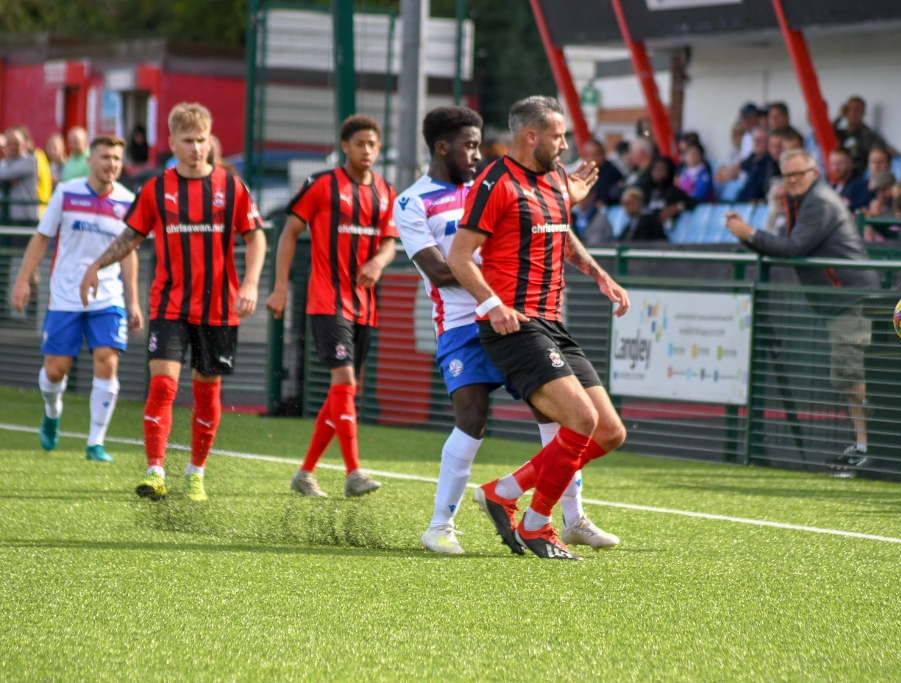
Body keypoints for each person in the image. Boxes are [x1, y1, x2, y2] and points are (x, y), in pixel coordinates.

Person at [392, 106, 613, 554]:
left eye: (479, 145)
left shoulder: (495, 182)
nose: (476, 154)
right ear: (442, 147)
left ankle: (572, 516)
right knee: (472, 419)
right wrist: (497, 273)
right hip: (462, 323)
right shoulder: (412, 201)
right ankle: (440, 525)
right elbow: (439, 269)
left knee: (560, 417)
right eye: (468, 145)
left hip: (517, 315)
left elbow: (543, 227)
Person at [448, 95, 630, 560]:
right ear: (532, 136)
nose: (566, 145)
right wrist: (491, 305)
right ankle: (537, 523)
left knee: (609, 432)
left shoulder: (554, 181)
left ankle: (504, 491)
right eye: (558, 136)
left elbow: (561, 233)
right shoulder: (494, 183)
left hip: (551, 322)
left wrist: (600, 274)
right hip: (514, 326)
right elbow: (458, 256)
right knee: (581, 421)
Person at [79, 102, 266, 502]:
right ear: (172, 142)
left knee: (206, 392)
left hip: (219, 308)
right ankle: (155, 471)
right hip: (169, 306)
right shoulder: (157, 189)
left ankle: (196, 471)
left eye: (202, 140)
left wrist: (250, 283)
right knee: (163, 386)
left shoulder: (231, 187)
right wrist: (97, 264)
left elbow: (255, 236)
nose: (197, 148)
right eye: (188, 141)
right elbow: (131, 236)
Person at [265, 114, 396, 499]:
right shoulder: (322, 185)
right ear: (345, 147)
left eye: (373, 144)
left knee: (345, 391)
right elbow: (289, 232)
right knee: (344, 383)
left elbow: (389, 242)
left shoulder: (386, 192)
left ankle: (305, 473)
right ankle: (353, 472)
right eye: (360, 144)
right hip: (326, 300)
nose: (367, 151)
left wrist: (378, 262)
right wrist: (279, 287)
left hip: (364, 307)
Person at [725, 148, 880, 466]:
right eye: (788, 176)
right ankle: (865, 445)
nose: (794, 181)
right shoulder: (800, 200)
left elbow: (792, 247)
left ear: (814, 173)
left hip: (850, 299)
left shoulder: (819, 201)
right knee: (848, 377)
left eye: (799, 175)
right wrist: (749, 234)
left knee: (853, 377)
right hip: (840, 302)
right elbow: (780, 242)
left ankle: (870, 446)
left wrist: (750, 233)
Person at [10, 136, 140, 462]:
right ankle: (53, 413)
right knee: (55, 370)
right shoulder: (66, 192)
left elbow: (128, 254)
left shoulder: (127, 200)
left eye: (116, 158)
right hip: (65, 296)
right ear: (90, 161)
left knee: (107, 362)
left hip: (108, 296)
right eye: (105, 157)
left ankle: (96, 442)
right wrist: (23, 280)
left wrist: (134, 301)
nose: (112, 164)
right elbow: (41, 239)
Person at [834, 96, 893, 179]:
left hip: (858, 177)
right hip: (838, 175)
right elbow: (821, 135)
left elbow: (879, 154)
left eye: (857, 110)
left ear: (863, 113)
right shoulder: (840, 133)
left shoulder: (869, 135)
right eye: (850, 109)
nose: (854, 113)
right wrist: (839, 117)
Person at [0, 128, 40, 222]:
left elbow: (6, 174)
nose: (14, 147)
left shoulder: (30, 162)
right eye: (10, 144)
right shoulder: (4, 163)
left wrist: (6, 177)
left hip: (24, 219)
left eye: (17, 143)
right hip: (5, 218)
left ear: (24, 144)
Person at [646, 156, 694, 224]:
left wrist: (677, 207)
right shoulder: (651, 192)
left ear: (669, 171)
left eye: (661, 169)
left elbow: (694, 203)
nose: (657, 172)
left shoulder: (674, 192)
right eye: (655, 169)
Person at [580, 138, 623, 207]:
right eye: (589, 155)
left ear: (603, 153)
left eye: (595, 154)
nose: (592, 158)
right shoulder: (587, 173)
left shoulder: (612, 172)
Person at [829, 147, 872, 212]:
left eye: (840, 164)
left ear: (850, 164)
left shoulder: (860, 186)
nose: (836, 168)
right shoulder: (832, 188)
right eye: (833, 164)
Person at [736, 127, 771, 202]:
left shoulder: (770, 163)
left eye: (760, 140)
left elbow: (760, 188)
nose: (756, 143)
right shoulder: (749, 161)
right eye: (754, 140)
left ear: (768, 142)